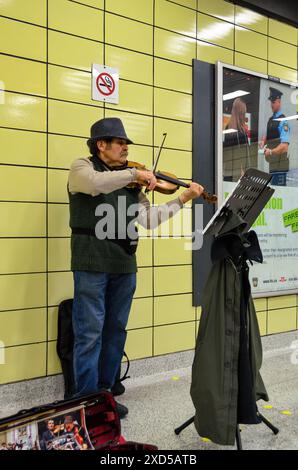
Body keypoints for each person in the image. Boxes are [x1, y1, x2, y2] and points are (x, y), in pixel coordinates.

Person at [68, 117, 204, 418]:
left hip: (125, 265)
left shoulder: (132, 185)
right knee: (90, 333)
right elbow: (94, 184)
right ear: (100, 144)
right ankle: (85, 402)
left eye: (127, 143)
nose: (126, 147)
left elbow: (149, 220)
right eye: (120, 142)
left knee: (115, 331)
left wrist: (182, 197)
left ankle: (105, 395)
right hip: (91, 263)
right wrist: (135, 173)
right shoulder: (82, 168)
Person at [260, 86, 290, 186]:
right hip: (272, 165)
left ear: (279, 102)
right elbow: (267, 137)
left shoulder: (283, 121)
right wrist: (262, 143)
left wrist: (271, 151)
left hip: (280, 167)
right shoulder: (270, 120)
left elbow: (284, 147)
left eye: (273, 102)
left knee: (279, 196)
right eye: (271, 102)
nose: (271, 105)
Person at [223, 97, 253, 182]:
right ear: (241, 113)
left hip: (228, 171)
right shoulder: (240, 133)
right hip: (238, 174)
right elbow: (243, 157)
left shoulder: (228, 128)